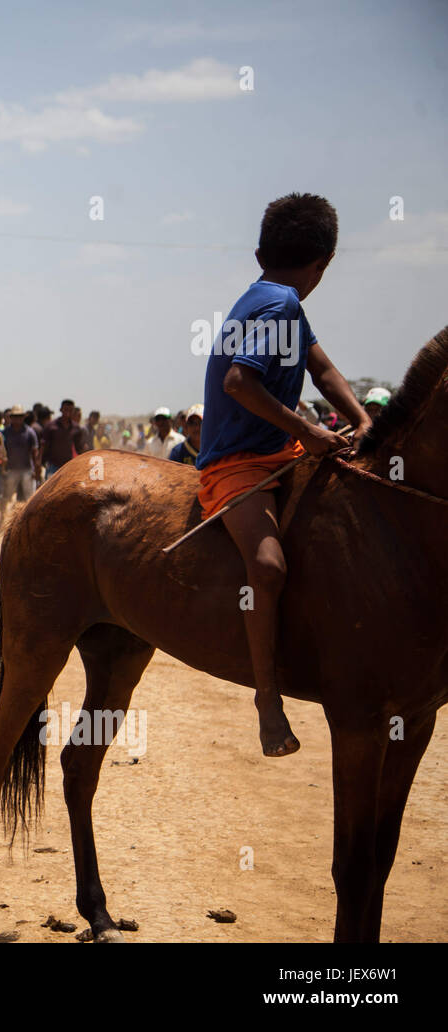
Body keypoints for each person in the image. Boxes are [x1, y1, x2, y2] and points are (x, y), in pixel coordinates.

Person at [196, 192, 369, 758]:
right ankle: (268, 698)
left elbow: (321, 368)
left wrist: (362, 418)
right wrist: (315, 432)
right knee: (268, 567)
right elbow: (239, 385)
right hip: (237, 462)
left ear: (259, 252)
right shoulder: (275, 307)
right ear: (324, 263)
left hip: (281, 450)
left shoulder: (282, 301)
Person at [3, 405, 40, 504]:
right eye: (14, 417)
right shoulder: (6, 432)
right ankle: (2, 517)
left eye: (19, 416)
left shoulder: (30, 432)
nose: (17, 419)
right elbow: (2, 451)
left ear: (23, 417)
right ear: (11, 418)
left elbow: (34, 451)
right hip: (11, 469)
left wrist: (36, 470)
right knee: (7, 496)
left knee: (30, 498)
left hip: (27, 469)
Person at [41, 399, 83, 478]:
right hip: (53, 466)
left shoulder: (76, 428)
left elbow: (79, 448)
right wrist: (40, 462)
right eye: (66, 409)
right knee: (51, 490)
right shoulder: (51, 426)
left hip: (68, 467)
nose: (68, 412)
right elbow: (44, 446)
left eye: (70, 410)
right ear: (61, 410)